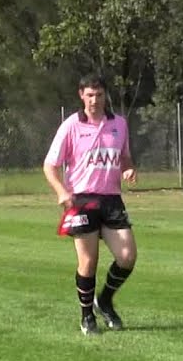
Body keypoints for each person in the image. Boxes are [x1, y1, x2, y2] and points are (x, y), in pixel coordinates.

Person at [43, 74, 138, 335]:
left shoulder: (119, 123)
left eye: (98, 95)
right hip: (82, 200)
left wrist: (128, 169)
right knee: (89, 260)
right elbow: (49, 165)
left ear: (105, 95)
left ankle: (104, 300)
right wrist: (62, 192)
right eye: (89, 95)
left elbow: (125, 157)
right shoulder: (71, 126)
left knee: (127, 257)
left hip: (111, 199)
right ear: (81, 96)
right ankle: (87, 317)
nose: (94, 100)